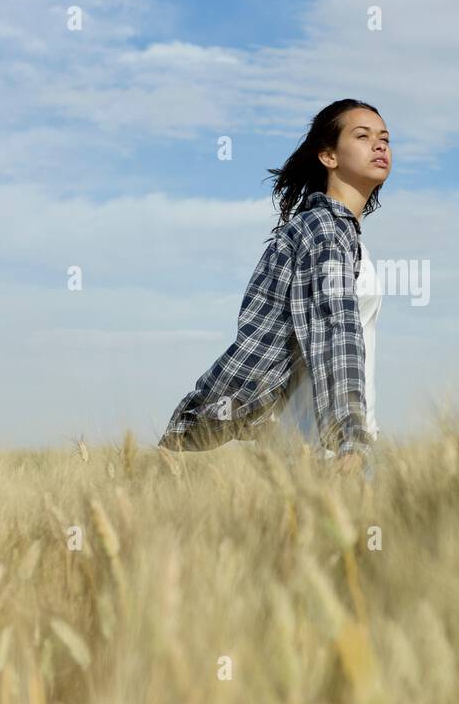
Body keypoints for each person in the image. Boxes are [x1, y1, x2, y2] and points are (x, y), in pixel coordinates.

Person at [158, 99, 390, 479]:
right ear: (328, 156)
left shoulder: (334, 234)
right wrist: (351, 437)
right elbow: (336, 334)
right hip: (325, 451)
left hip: (314, 447)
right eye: (362, 136)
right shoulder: (325, 231)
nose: (379, 145)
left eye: (384, 138)